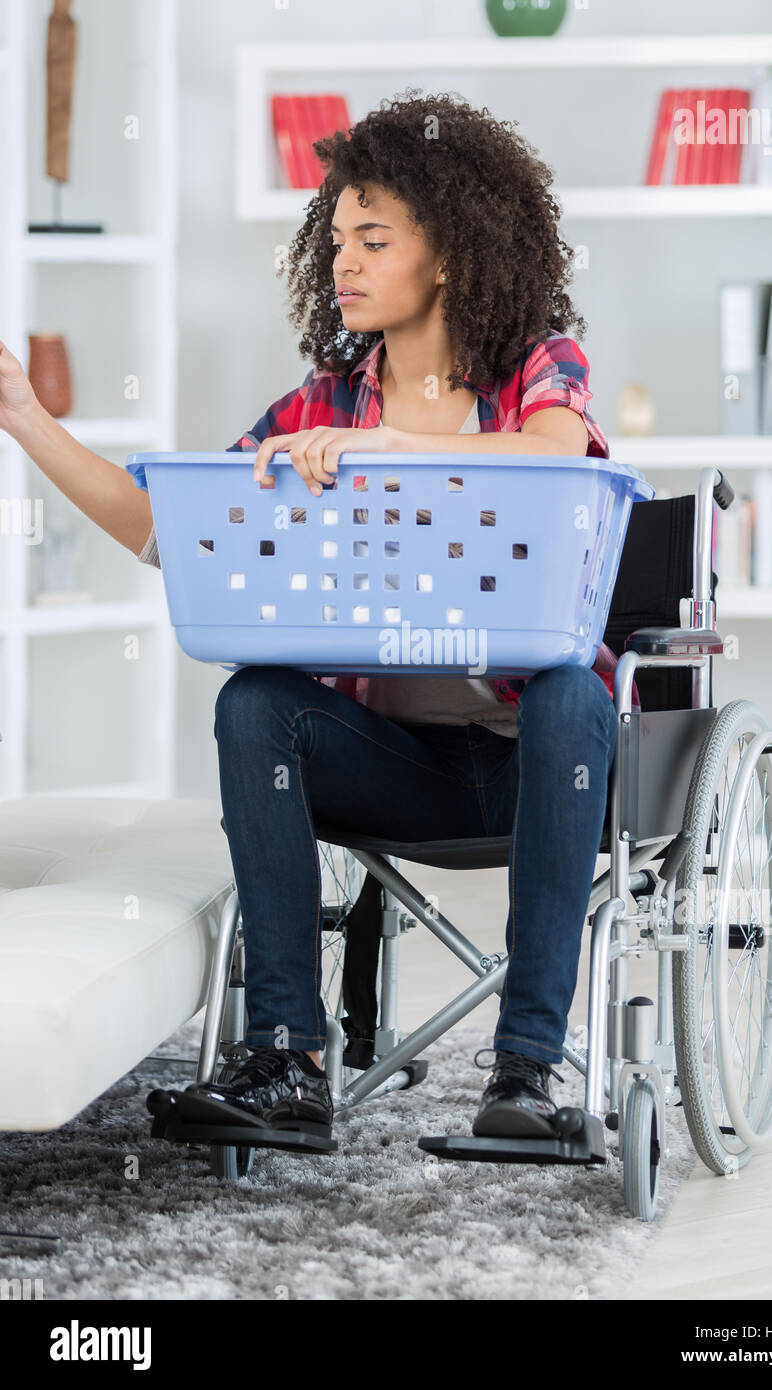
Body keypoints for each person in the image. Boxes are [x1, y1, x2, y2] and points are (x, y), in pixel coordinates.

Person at [0, 90, 622, 1145]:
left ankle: (525, 1072)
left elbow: (560, 455)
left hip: (535, 764)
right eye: (336, 237)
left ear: (452, 255)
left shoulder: (531, 367)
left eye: (373, 239)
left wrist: (395, 452)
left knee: (569, 694)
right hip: (398, 767)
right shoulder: (321, 405)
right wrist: (26, 420)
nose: (343, 260)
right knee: (256, 703)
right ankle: (287, 1059)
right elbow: (168, 528)